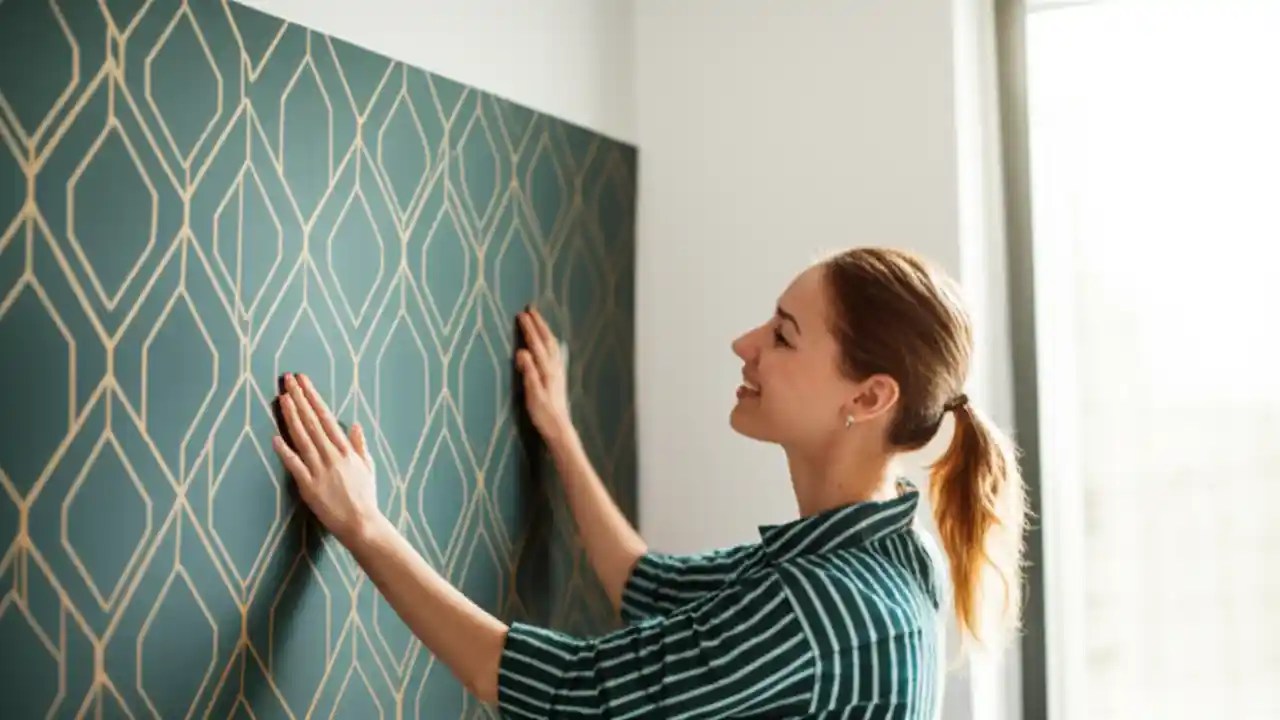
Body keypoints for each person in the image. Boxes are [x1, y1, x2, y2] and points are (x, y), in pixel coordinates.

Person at [269, 246, 1027, 719]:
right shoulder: (882, 554)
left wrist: (363, 525)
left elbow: (568, 694)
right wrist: (560, 433)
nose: (746, 344)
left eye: (784, 335)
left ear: (868, 398)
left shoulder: (823, 600)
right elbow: (648, 586)